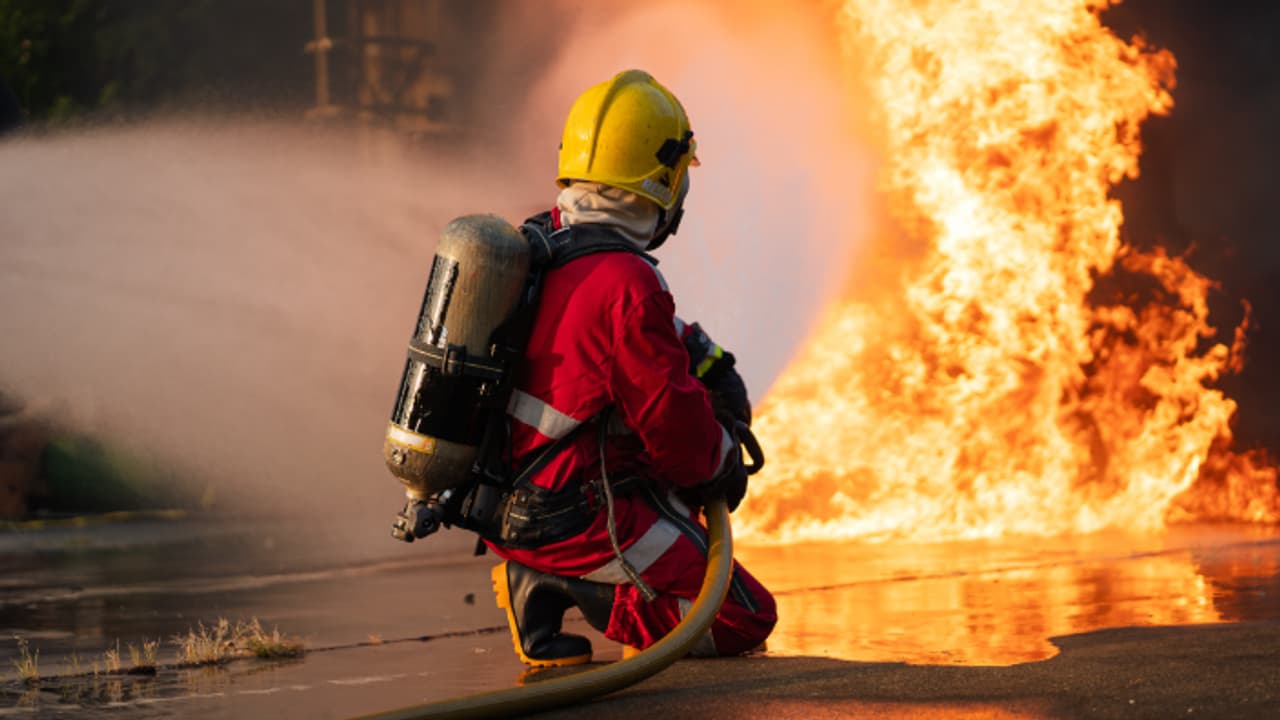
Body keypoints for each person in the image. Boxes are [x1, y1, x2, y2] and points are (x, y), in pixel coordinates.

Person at [486, 69, 777, 666]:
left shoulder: (545, 241)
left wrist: (709, 360)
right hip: (575, 516)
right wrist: (724, 458)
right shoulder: (628, 281)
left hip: (511, 500)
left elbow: (630, 343)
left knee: (675, 504)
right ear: (664, 179)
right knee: (741, 615)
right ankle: (557, 585)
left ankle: (544, 574)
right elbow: (677, 434)